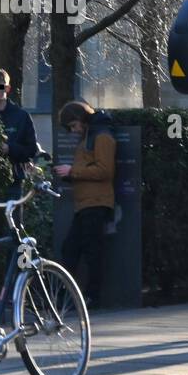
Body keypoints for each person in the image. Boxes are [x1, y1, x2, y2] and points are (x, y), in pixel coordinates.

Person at [54, 100, 115, 308]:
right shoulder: (91, 135)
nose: (73, 131)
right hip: (86, 203)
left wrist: (72, 172)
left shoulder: (102, 136)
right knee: (73, 249)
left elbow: (105, 170)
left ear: (80, 119)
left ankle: (91, 297)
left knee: (89, 251)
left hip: (96, 203)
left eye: (73, 126)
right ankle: (72, 295)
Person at [0, 68, 38, 197]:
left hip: (14, 181)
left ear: (7, 88)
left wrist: (10, 148)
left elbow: (31, 150)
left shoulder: (22, 116)